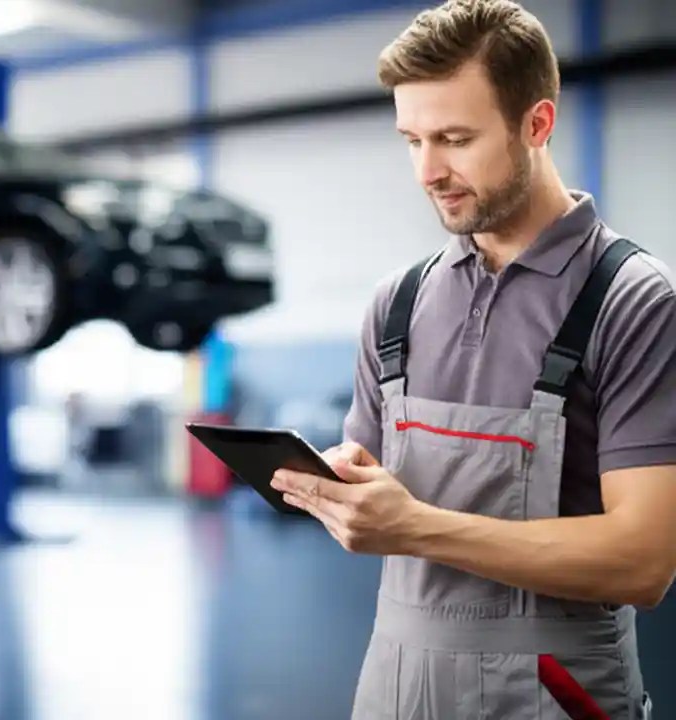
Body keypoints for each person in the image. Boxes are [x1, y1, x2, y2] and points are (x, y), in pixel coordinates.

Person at [267, 1, 676, 718]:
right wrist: (338, 493)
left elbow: (644, 561)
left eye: (455, 138)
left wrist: (412, 525)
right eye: (412, 140)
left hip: (555, 690)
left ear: (536, 124)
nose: (429, 170)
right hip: (395, 681)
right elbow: (374, 486)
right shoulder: (396, 304)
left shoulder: (635, 302)